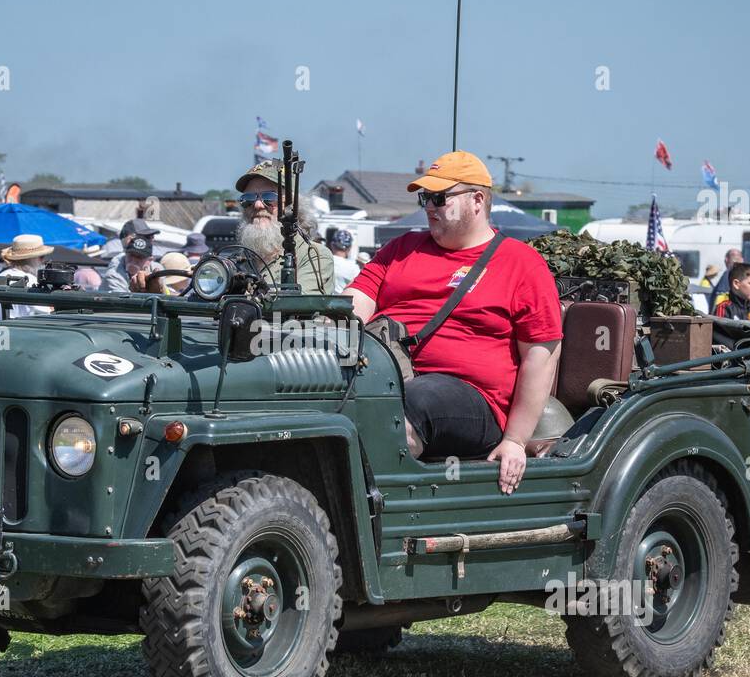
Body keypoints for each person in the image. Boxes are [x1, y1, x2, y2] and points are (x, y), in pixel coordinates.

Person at [343, 150, 562, 494]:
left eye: (439, 197)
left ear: (477, 200)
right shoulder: (402, 248)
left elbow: (542, 352)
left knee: (410, 402)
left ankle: (366, 509)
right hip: (386, 373)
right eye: (424, 197)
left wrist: (516, 440)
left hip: (472, 401)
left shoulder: (521, 263)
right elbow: (354, 304)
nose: (428, 206)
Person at [234, 160, 334, 294]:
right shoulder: (239, 258)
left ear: (292, 206)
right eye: (248, 198)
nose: (257, 205)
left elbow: (296, 307)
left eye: (269, 197)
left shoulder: (314, 256)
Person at [0, 235, 54, 319]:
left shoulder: (0, 275)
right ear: (31, 259)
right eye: (41, 257)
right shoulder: (29, 280)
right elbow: (48, 312)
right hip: (15, 329)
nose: (43, 261)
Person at [102, 217, 161, 291]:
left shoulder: (155, 266)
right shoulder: (117, 268)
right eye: (147, 237)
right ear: (129, 239)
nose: (152, 240)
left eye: (151, 237)